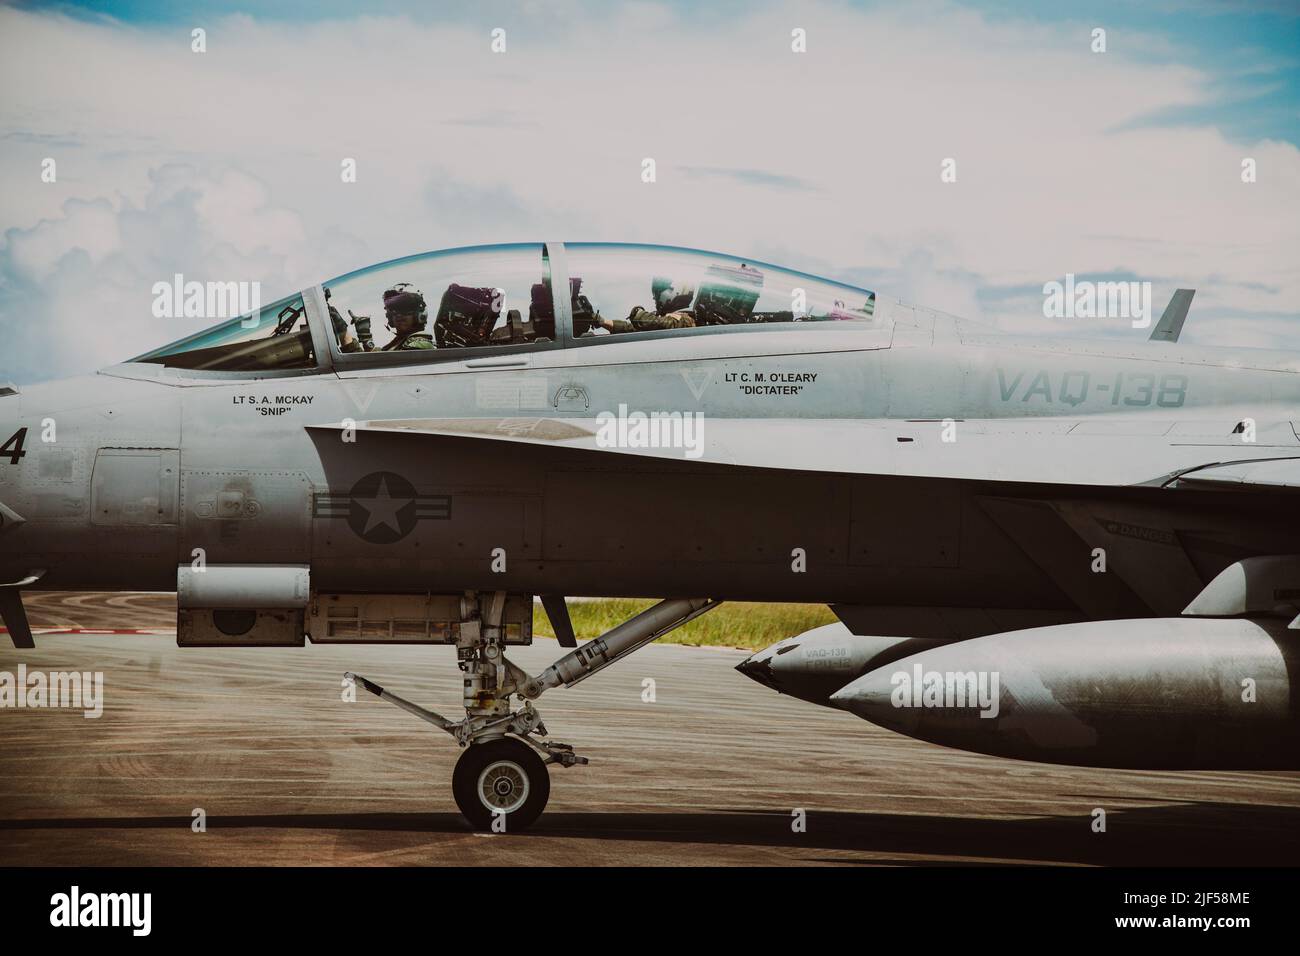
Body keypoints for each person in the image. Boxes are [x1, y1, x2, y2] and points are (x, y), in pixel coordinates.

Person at [353, 283, 434, 351]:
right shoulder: (400, 341)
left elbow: (381, 364)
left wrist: (365, 338)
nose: (398, 315)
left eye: (405, 309)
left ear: (419, 313)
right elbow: (377, 358)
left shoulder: (420, 344)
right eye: (394, 309)